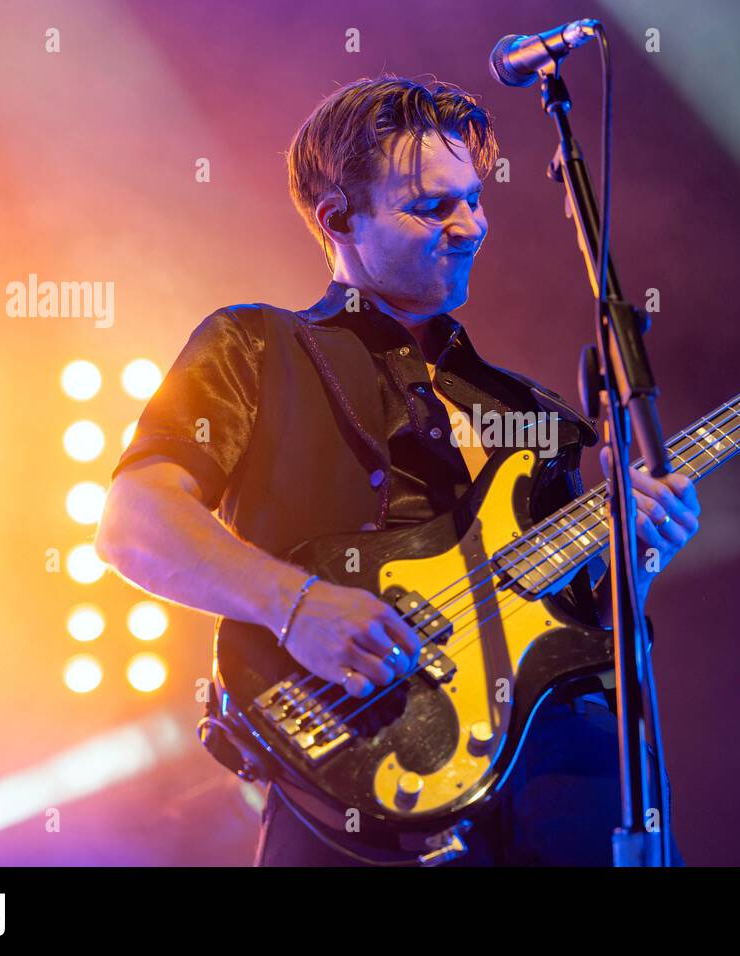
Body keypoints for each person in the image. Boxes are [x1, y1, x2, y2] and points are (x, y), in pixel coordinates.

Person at [94, 74, 701, 866]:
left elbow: (586, 637)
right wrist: (298, 605)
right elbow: (132, 524)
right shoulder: (257, 347)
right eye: (432, 206)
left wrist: (642, 558)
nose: (471, 225)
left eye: (475, 200)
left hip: (562, 778)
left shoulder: (531, 410)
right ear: (338, 218)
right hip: (356, 771)